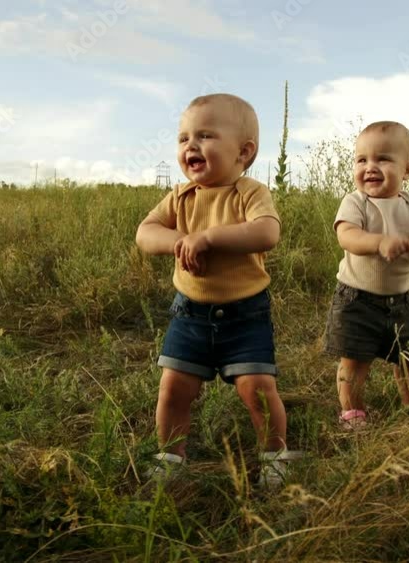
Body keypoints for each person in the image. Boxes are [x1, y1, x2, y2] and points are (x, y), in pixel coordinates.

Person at [135, 93, 297, 486]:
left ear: (244, 152)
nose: (191, 145)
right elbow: (145, 233)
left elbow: (267, 231)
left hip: (245, 316)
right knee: (173, 389)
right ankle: (171, 456)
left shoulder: (250, 193)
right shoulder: (180, 196)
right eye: (183, 138)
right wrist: (178, 241)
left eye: (205, 135)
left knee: (257, 389)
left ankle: (275, 454)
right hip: (189, 314)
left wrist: (207, 238)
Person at [323, 121, 409, 429]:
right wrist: (379, 242)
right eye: (362, 160)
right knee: (353, 362)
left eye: (383, 159)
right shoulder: (356, 202)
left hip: (401, 303)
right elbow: (347, 236)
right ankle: (353, 414)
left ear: (407, 170)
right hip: (356, 300)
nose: (370, 167)